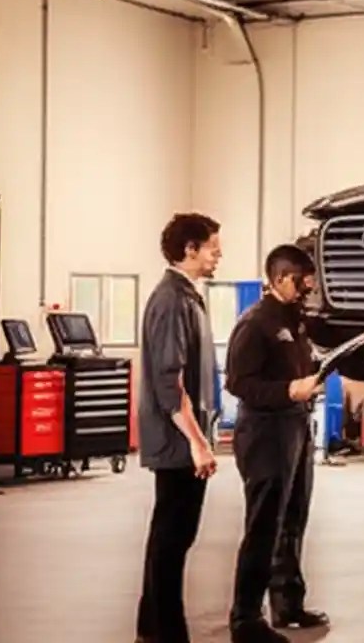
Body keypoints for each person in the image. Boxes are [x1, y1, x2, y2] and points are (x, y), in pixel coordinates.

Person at [224, 243, 364, 642]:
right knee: (264, 526)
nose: (308, 289)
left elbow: (330, 353)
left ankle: (287, 604)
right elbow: (238, 383)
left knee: (292, 519)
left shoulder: (298, 321)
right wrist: (290, 390)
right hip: (264, 432)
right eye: (301, 282)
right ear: (279, 279)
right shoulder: (255, 324)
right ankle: (245, 619)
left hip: (294, 428)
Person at [135, 212, 223, 643]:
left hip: (182, 440)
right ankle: (168, 634)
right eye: (212, 247)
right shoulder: (172, 300)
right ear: (189, 249)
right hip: (177, 443)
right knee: (173, 538)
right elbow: (170, 381)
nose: (218, 254)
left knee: (170, 535)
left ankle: (152, 629)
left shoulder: (187, 296)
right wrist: (198, 442)